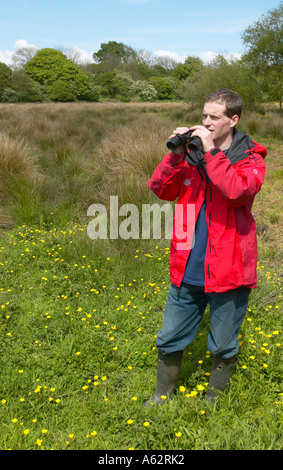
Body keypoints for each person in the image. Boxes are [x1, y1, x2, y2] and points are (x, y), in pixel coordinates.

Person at [146, 89, 267, 406]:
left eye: (215, 117)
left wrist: (211, 151)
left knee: (222, 343)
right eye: (203, 116)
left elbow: (236, 191)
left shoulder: (251, 158)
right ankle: (161, 396)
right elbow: (160, 189)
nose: (206, 122)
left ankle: (214, 401)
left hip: (230, 267)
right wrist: (176, 155)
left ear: (233, 119)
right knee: (170, 336)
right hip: (187, 265)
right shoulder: (192, 155)